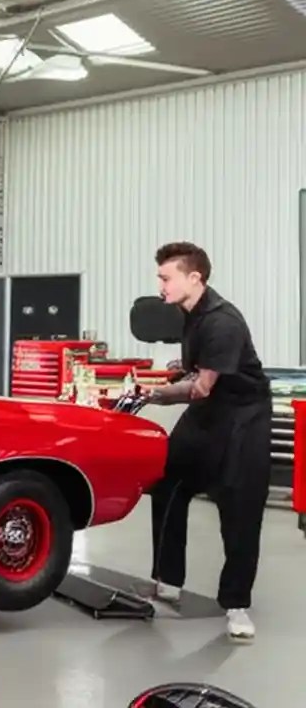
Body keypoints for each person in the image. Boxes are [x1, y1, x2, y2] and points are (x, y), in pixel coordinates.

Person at [143, 241, 271, 642]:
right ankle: (167, 580)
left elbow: (200, 388)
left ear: (193, 277)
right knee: (166, 483)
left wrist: (155, 393)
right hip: (208, 413)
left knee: (239, 508)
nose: (160, 285)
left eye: (166, 277)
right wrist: (183, 366)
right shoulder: (190, 312)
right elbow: (199, 371)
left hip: (242, 418)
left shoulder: (222, 321)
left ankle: (236, 605)